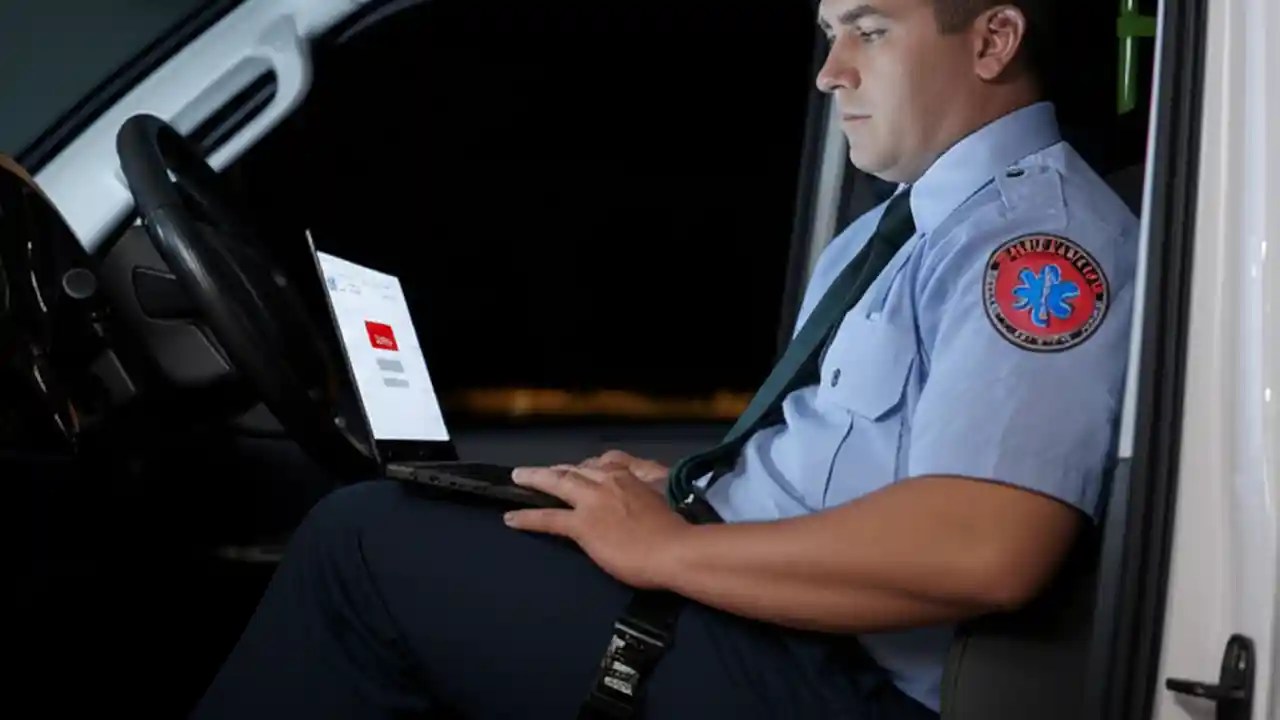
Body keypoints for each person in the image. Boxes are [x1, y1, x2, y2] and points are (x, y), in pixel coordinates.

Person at [190, 0, 1138, 717]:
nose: (830, 72)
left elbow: (983, 546)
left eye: (871, 31)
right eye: (828, 33)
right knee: (422, 512)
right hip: (779, 623)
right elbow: (843, 464)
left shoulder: (1036, 246)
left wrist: (674, 549)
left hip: (846, 680)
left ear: (991, 41)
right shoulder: (902, 230)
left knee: (357, 544)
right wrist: (685, 485)